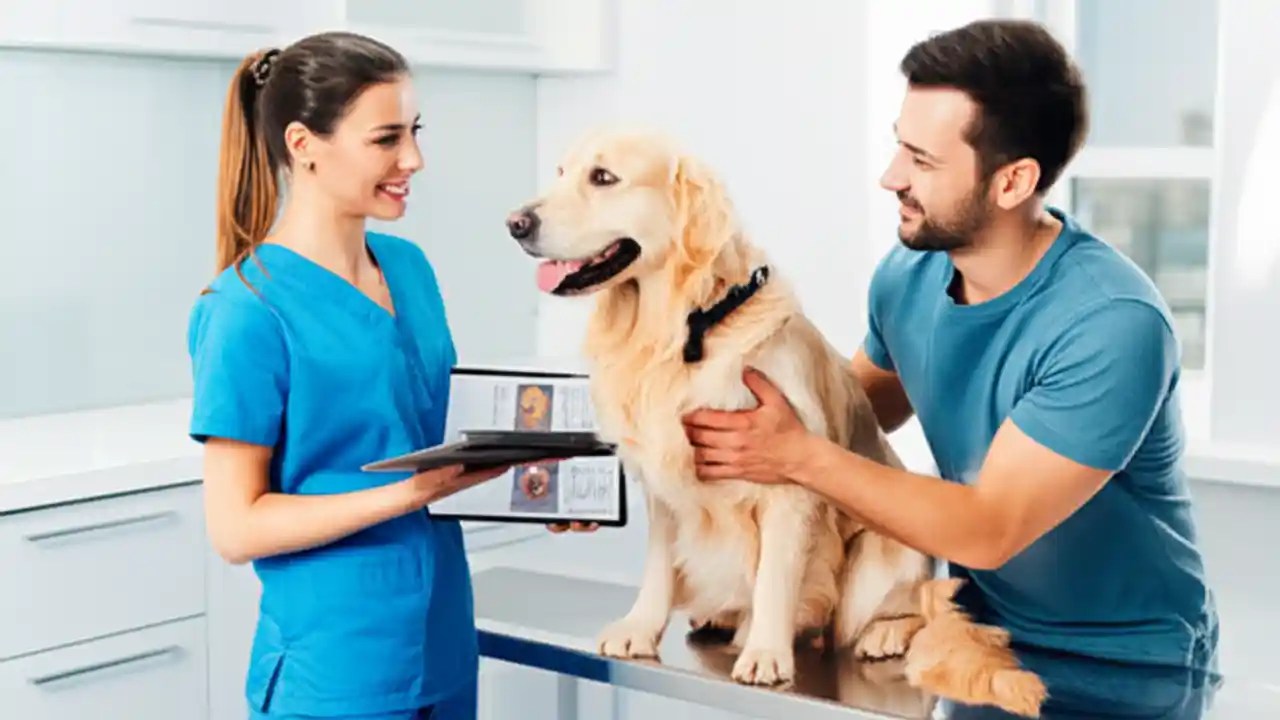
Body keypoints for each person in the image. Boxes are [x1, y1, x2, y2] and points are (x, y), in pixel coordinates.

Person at [681, 19, 1219, 671]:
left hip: (1124, 663)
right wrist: (669, 466)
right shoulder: (908, 277)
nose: (890, 177)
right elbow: (848, 420)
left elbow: (987, 529)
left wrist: (796, 455)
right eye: (899, 147)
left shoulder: (1111, 325)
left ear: (1014, 182)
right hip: (969, 635)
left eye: (922, 161)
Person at [188, 32, 509, 719]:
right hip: (336, 673)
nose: (413, 159)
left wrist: (544, 490)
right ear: (304, 144)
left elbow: (436, 442)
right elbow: (236, 528)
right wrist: (406, 494)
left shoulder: (411, 270)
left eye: (414, 132)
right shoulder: (246, 310)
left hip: (444, 647)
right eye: (386, 139)